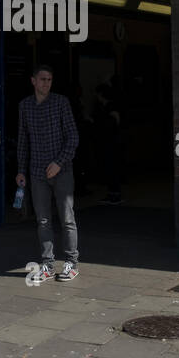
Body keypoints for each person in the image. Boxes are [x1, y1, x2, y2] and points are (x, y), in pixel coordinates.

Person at [15, 64, 79, 284]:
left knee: (67, 218)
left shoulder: (61, 103)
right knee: (43, 220)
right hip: (36, 172)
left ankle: (71, 263)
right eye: (42, 79)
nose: (46, 84)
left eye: (49, 80)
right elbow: (23, 140)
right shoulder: (25, 106)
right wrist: (21, 170)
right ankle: (48, 265)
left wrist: (59, 163)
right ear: (33, 81)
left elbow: (73, 137)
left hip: (62, 171)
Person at [92, 82, 123, 204]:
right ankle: (113, 193)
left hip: (110, 142)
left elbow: (114, 122)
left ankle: (114, 194)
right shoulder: (108, 107)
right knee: (111, 167)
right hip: (110, 141)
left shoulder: (109, 107)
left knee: (111, 167)